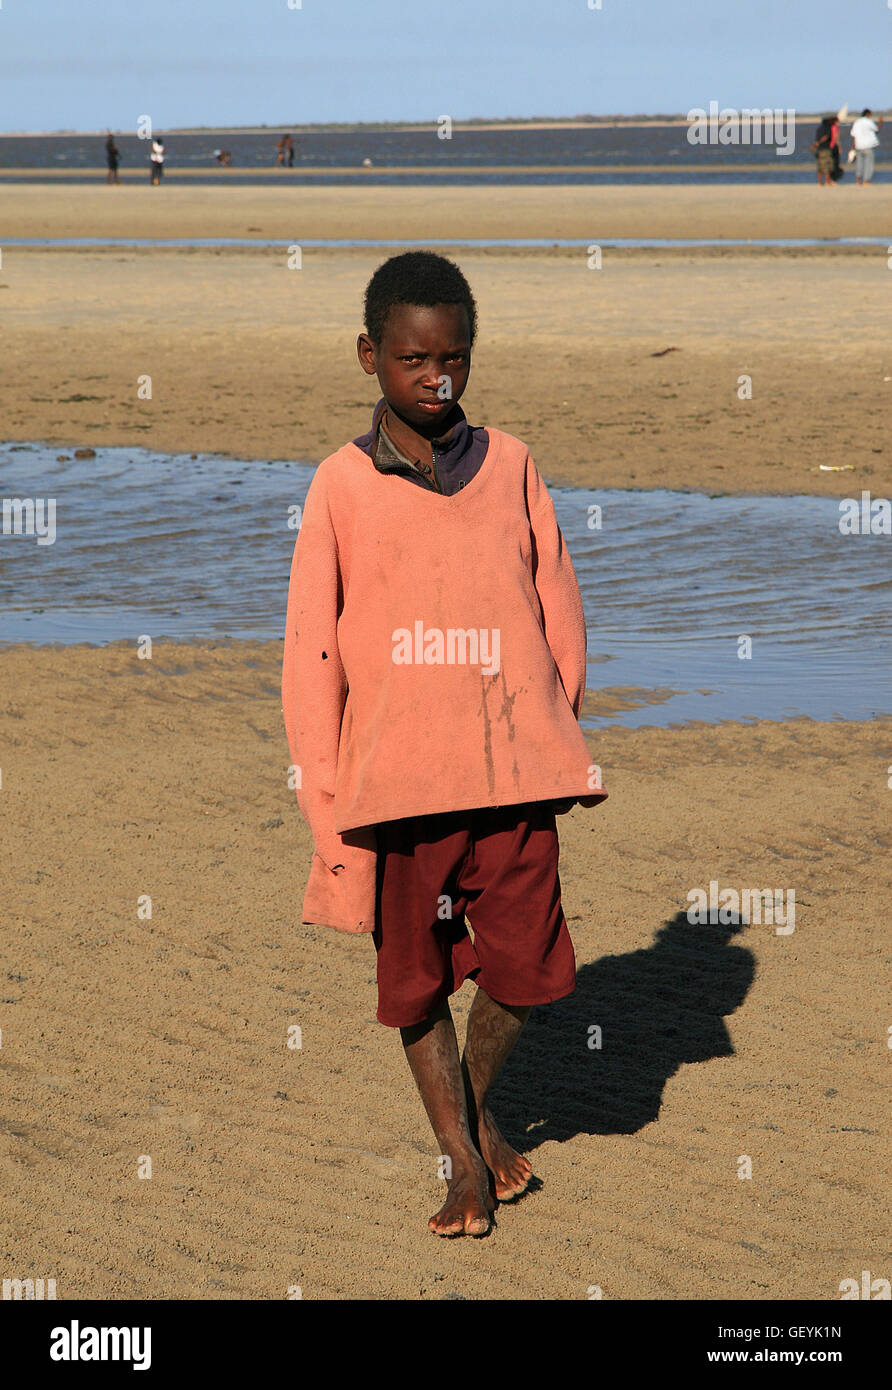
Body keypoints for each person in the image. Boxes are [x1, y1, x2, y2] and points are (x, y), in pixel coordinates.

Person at [281, 251, 608, 1237]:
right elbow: (312, 657)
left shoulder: (510, 463)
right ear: (369, 355)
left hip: (512, 777)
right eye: (415, 360)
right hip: (394, 790)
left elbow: (559, 610)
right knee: (414, 978)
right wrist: (328, 802)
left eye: (454, 358)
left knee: (526, 971)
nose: (438, 378)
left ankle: (469, 1106)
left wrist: (554, 736)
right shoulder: (339, 486)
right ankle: (463, 1160)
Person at [850, 107, 883, 186]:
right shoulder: (868, 122)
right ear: (867, 114)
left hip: (859, 146)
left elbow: (853, 135)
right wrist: (880, 122)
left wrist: (853, 146)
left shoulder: (857, 122)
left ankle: (858, 180)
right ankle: (866, 180)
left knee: (859, 163)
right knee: (869, 164)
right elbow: (876, 129)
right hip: (868, 146)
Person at [810, 116, 836, 187]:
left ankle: (820, 182)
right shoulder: (828, 128)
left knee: (820, 166)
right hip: (825, 149)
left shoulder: (819, 128)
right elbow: (826, 137)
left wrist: (817, 144)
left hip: (819, 149)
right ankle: (828, 181)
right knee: (827, 166)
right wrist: (819, 142)